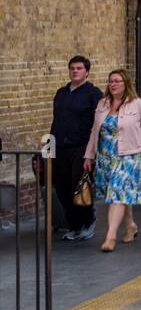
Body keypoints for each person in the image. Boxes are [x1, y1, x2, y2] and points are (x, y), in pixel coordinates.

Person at [83, 69, 141, 252]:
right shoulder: (103, 104)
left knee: (117, 193)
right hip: (106, 156)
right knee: (121, 195)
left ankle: (110, 236)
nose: (113, 84)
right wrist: (89, 155)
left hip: (129, 156)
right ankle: (130, 224)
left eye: (117, 81)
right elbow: (94, 131)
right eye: (110, 81)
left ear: (126, 84)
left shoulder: (138, 105)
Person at [50, 55, 102, 241]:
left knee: (79, 186)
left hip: (82, 146)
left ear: (86, 72)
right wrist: (49, 147)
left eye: (79, 68)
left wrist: (92, 152)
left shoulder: (93, 94)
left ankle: (88, 221)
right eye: (72, 68)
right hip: (61, 146)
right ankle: (74, 225)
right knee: (61, 187)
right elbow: (56, 121)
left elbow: (98, 123)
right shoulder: (61, 93)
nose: (75, 71)